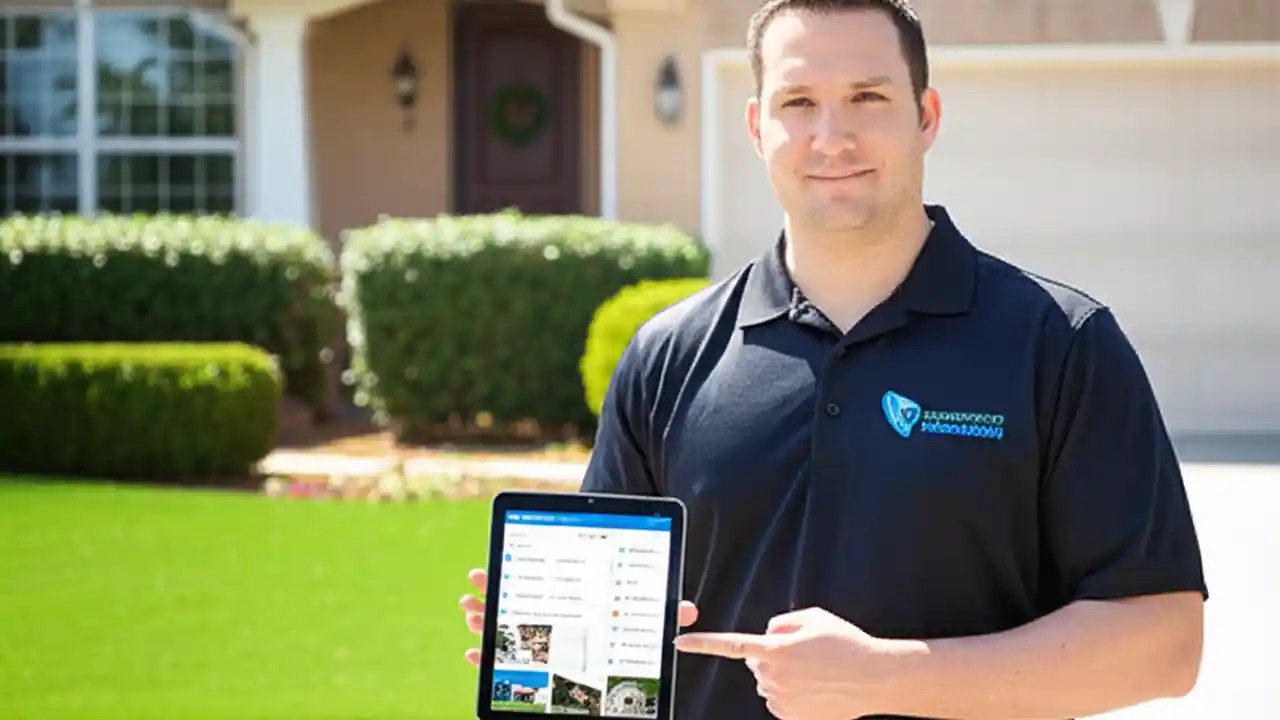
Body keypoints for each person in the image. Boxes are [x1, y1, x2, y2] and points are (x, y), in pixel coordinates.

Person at [460, 1, 1208, 718]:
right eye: (798, 103)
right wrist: (552, 635)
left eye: (868, 97)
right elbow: (591, 673)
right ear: (757, 126)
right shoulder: (670, 356)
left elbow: (1164, 644)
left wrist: (884, 678)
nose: (831, 136)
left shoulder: (1060, 343)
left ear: (927, 116)